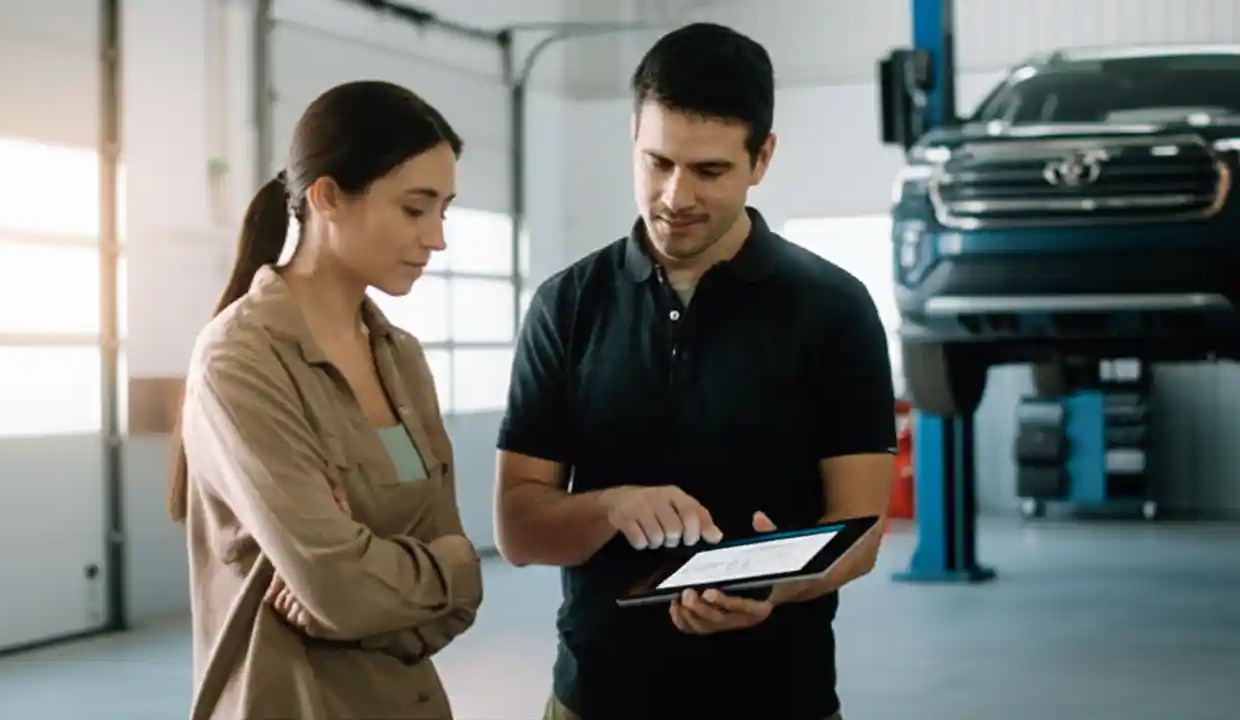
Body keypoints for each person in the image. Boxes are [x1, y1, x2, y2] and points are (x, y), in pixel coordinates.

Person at [493, 23, 896, 720]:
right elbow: (519, 529)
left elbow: (859, 530)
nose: (675, 196)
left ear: (762, 157)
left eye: (709, 171)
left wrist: (777, 585)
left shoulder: (834, 308)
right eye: (657, 162)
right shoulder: (567, 306)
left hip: (777, 698)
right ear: (633, 137)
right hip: (598, 697)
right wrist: (610, 505)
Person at [169, 80, 483, 720]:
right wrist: (437, 570)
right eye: (415, 209)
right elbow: (340, 583)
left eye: (444, 210)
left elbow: (459, 579)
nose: (438, 238)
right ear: (329, 197)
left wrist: (419, 575)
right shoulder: (241, 360)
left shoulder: (402, 358)